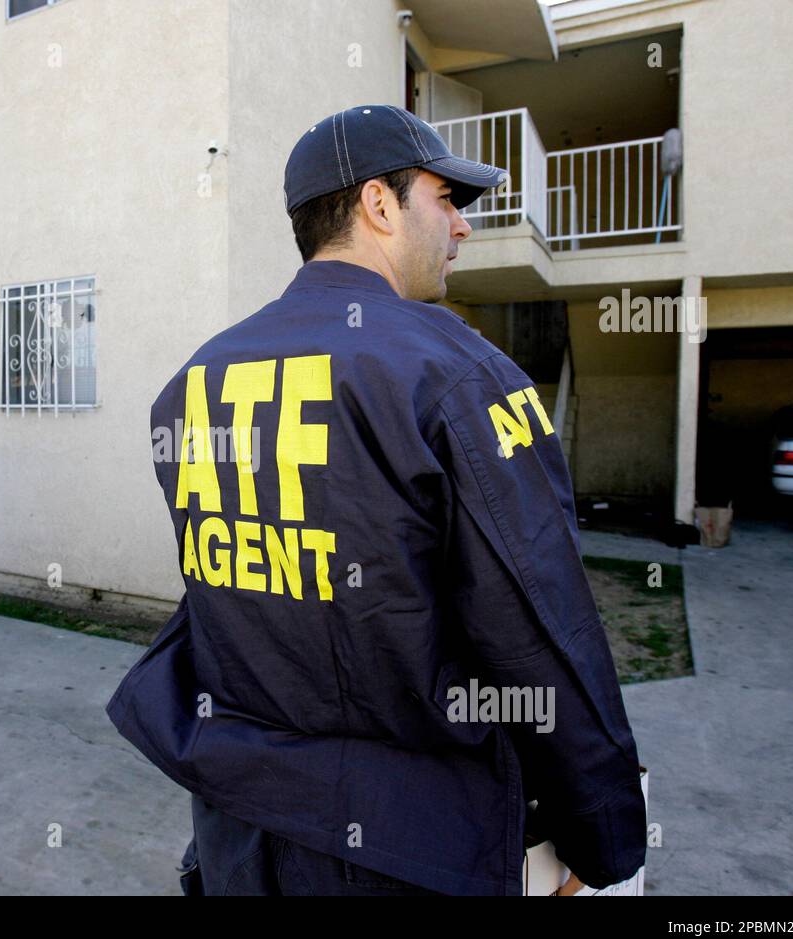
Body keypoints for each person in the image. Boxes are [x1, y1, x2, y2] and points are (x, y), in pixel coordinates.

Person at [107, 105, 647, 896]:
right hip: (411, 851)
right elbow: (540, 630)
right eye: (446, 198)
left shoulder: (190, 385)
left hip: (239, 841)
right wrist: (603, 837)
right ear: (379, 205)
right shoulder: (458, 373)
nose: (461, 226)